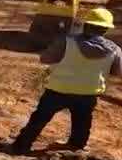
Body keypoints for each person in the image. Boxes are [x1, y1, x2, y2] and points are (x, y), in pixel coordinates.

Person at [11, 8, 121, 154]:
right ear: (106, 29)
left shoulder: (66, 41)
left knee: (40, 118)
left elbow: (45, 59)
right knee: (82, 121)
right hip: (88, 92)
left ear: (86, 25)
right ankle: (76, 146)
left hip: (58, 89)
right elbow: (117, 72)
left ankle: (21, 146)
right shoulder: (115, 50)